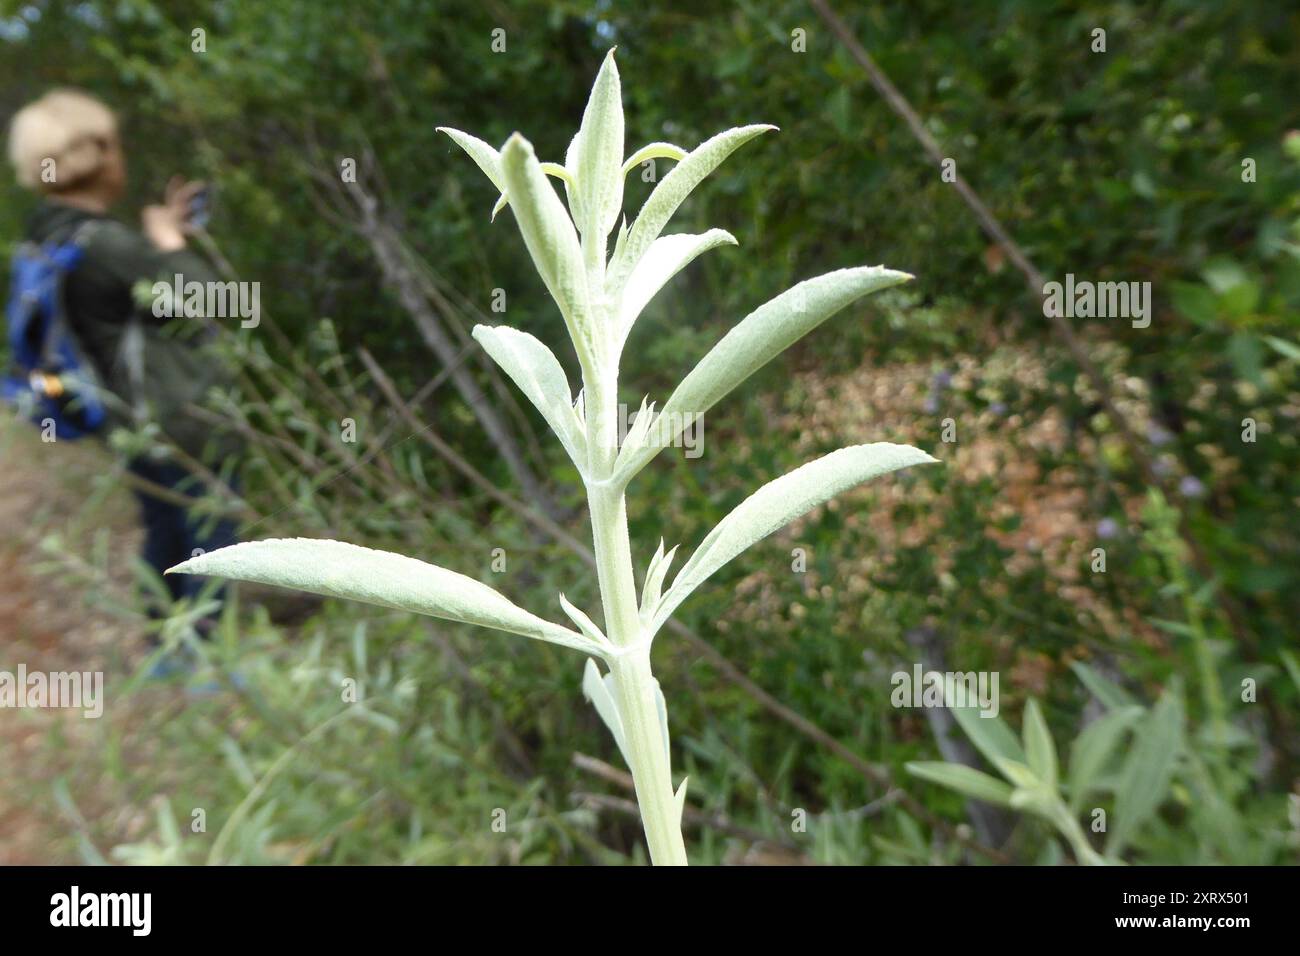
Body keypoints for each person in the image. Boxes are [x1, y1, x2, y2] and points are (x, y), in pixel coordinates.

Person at [6, 89, 241, 634]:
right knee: (211, 537)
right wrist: (168, 241)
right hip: (182, 416)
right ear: (103, 152)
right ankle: (205, 658)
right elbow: (214, 302)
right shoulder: (107, 244)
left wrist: (158, 243)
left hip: (124, 418)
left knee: (164, 525)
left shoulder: (46, 236)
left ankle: (165, 643)